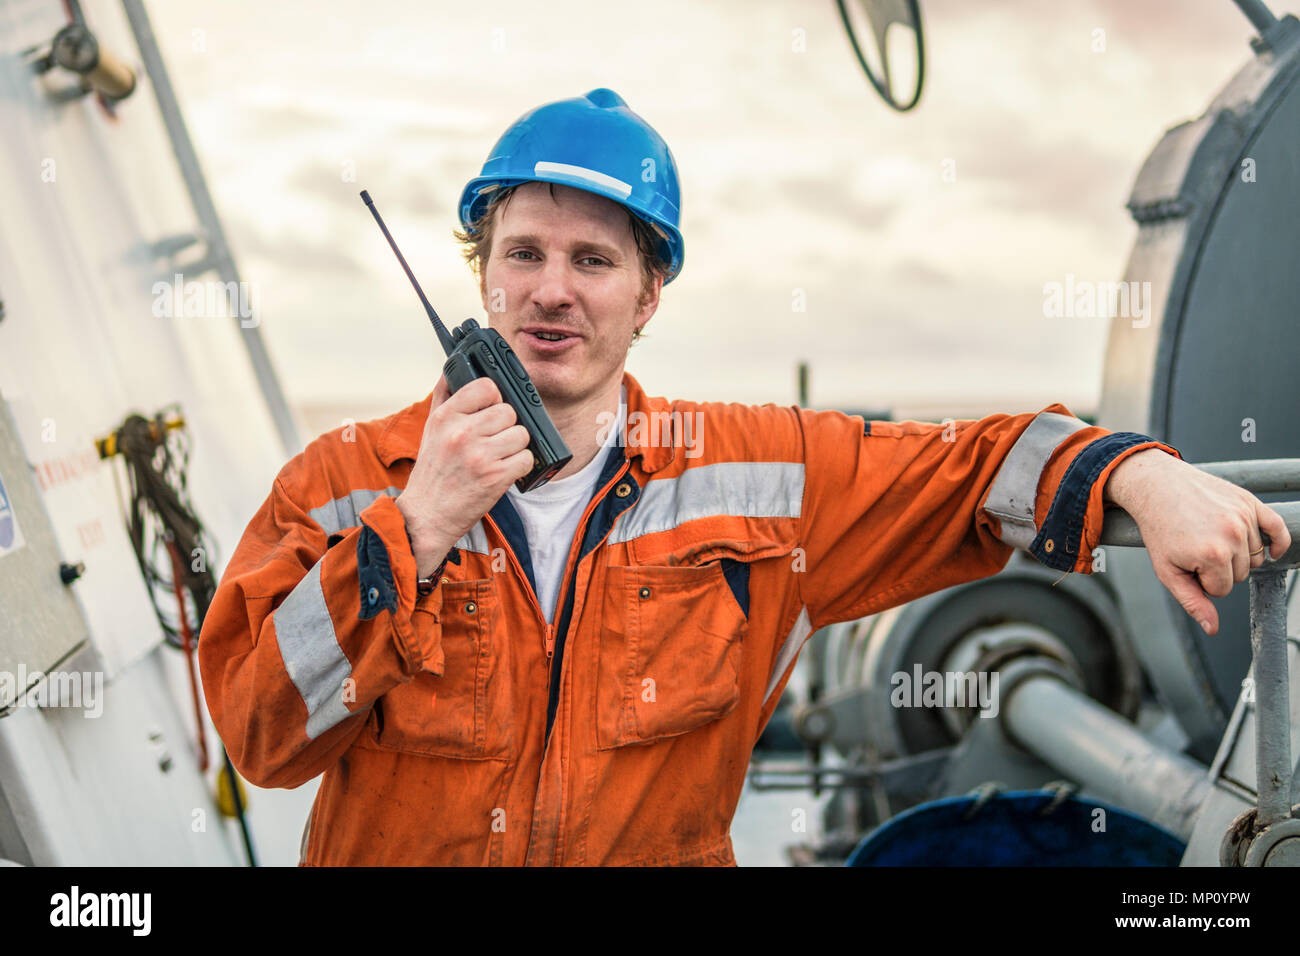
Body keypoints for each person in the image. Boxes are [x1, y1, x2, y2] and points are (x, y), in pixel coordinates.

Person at [198, 88, 1292, 866]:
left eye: (594, 260)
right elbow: (261, 734)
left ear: (648, 292)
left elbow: (967, 467)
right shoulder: (343, 481)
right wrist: (415, 525)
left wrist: (1140, 474)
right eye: (523, 252)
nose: (552, 291)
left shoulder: (755, 475)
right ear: (480, 274)